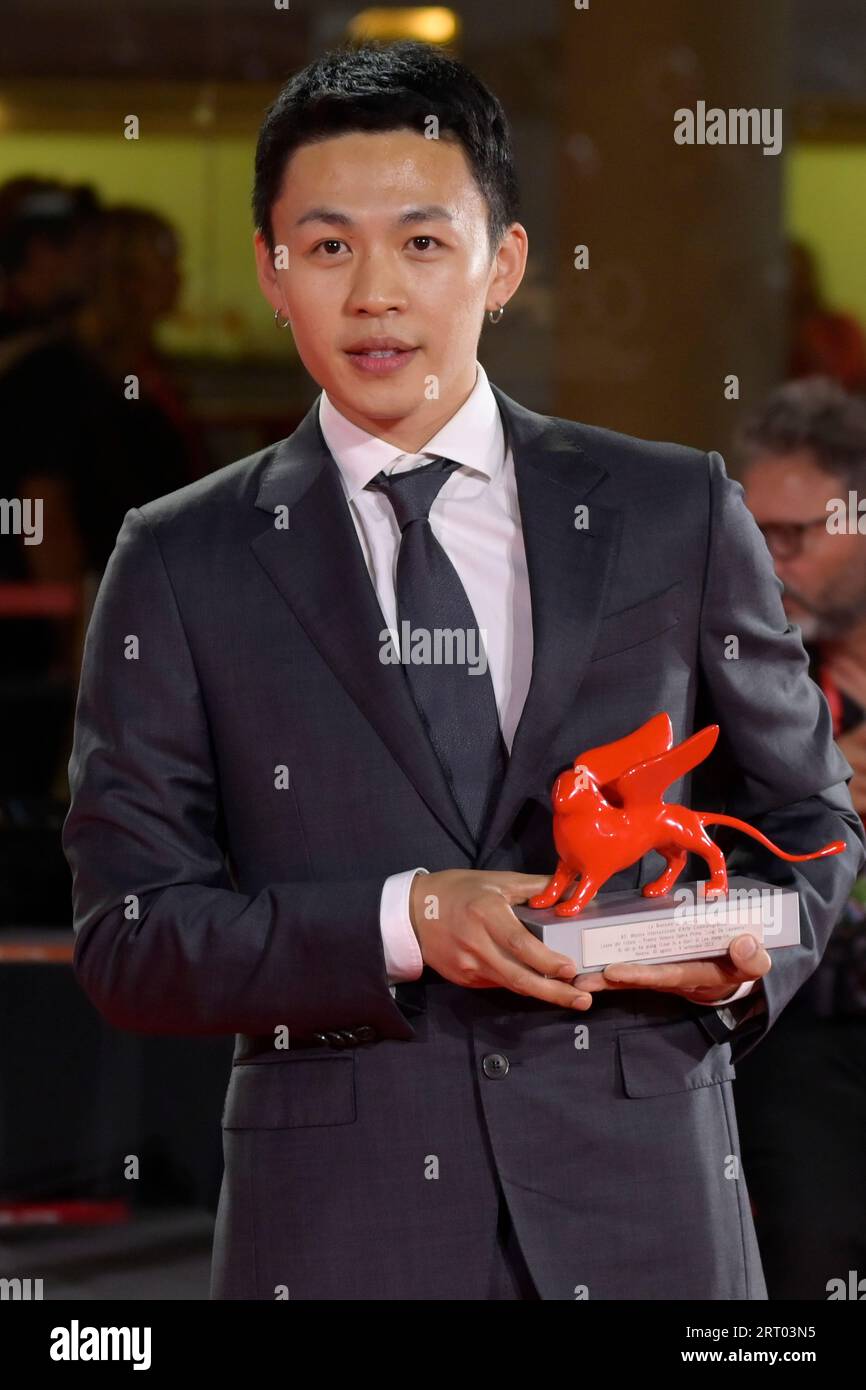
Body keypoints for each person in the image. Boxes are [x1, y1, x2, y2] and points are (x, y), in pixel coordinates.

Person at [62, 40, 865, 1301]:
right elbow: (130, 937)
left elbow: (810, 826)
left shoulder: (670, 510)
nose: (375, 292)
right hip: (337, 1228)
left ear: (504, 266)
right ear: (273, 275)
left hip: (644, 1208)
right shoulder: (179, 559)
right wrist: (408, 917)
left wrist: (739, 953)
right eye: (327, 248)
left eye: (423, 243)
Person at [736, 376, 866, 1298]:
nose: (772, 563)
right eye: (757, 536)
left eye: (798, 537)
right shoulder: (740, 663)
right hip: (796, 1032)